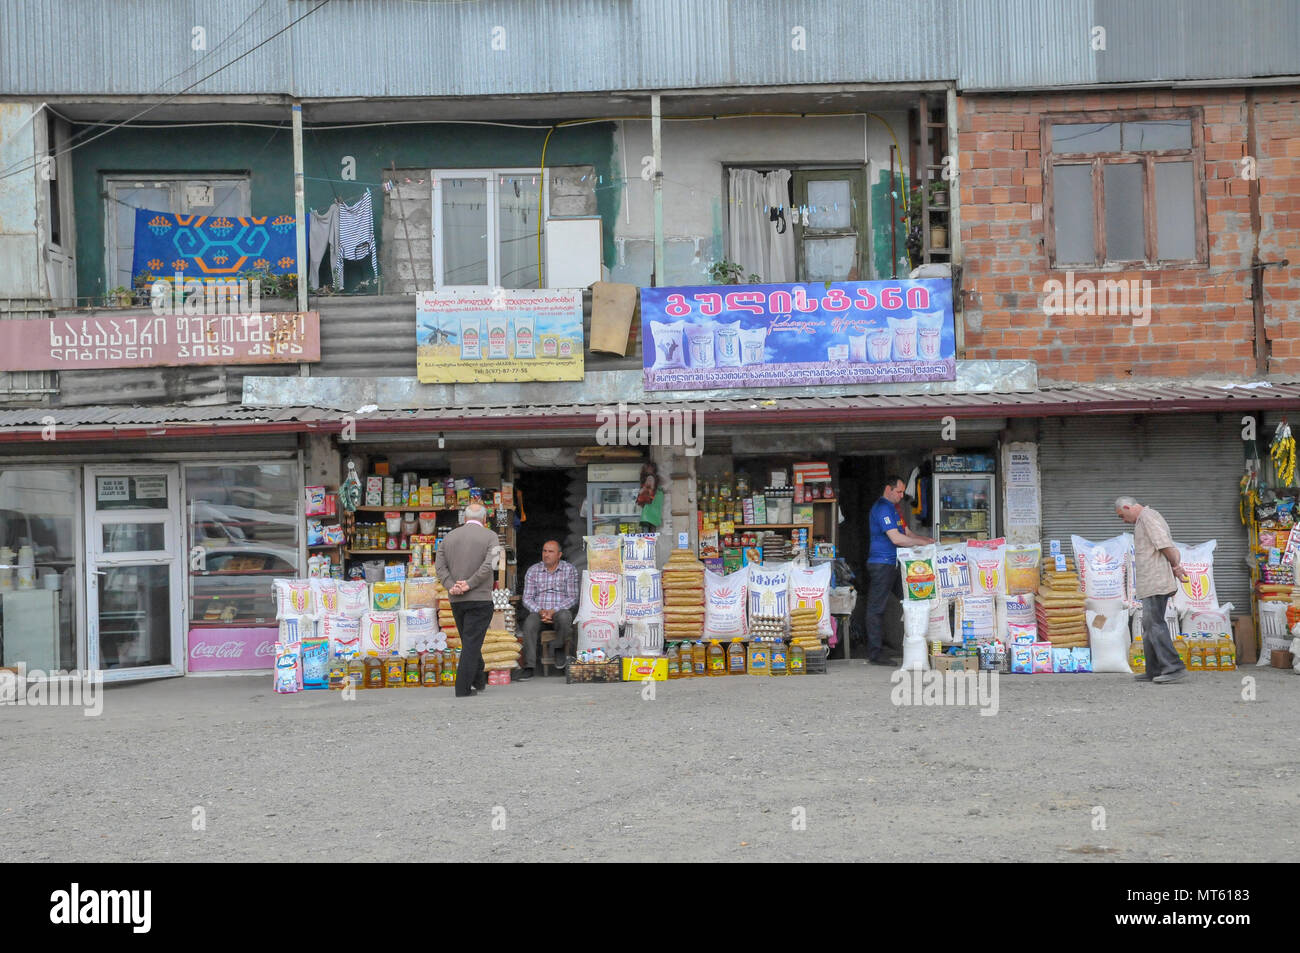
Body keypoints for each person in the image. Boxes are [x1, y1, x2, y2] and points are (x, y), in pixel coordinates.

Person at [1116, 496, 1190, 684]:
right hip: (1150, 582)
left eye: (1122, 516)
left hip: (1156, 581)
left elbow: (1164, 544)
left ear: (1127, 507)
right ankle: (1154, 669)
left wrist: (1176, 566)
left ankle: (1174, 667)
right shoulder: (1143, 520)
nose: (1123, 521)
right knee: (1148, 625)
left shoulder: (1148, 517)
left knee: (1154, 624)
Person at [866, 475, 934, 666]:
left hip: (895, 563)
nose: (902, 495)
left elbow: (906, 533)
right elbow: (897, 539)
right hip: (882, 564)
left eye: (903, 492)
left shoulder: (894, 509)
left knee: (914, 599)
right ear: (888, 489)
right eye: (899, 491)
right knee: (876, 608)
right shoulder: (882, 508)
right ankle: (875, 654)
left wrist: (925, 541)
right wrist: (919, 543)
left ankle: (918, 645)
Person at [435, 502, 501, 698]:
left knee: (470, 641)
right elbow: (493, 564)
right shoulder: (492, 536)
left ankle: (478, 680)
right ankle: (462, 688)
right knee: (471, 643)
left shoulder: (449, 537)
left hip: (457, 600)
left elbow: (439, 566)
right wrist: (470, 584)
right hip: (480, 599)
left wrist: (452, 585)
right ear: (485, 519)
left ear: (464, 519)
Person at [518, 539, 579, 678]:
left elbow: (573, 597)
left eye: (550, 551)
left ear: (559, 555)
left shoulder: (569, 570)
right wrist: (540, 611)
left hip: (559, 611)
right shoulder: (533, 570)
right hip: (539, 611)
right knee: (529, 624)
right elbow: (527, 598)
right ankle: (529, 666)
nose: (546, 554)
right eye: (544, 551)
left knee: (565, 617)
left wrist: (553, 611)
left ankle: (557, 646)